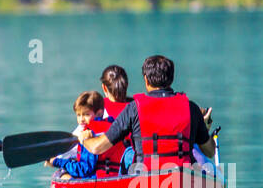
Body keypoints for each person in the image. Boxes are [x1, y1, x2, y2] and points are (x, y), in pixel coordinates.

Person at [81, 54, 214, 173]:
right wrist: (204, 127)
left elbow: (97, 148)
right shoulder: (191, 108)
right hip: (183, 177)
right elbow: (210, 151)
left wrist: (85, 139)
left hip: (145, 181)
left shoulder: (134, 109)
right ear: (171, 79)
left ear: (146, 80)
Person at [46, 91, 108, 179]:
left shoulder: (88, 135)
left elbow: (84, 169)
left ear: (99, 113)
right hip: (112, 174)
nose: (81, 119)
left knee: (61, 175)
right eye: (78, 115)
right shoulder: (111, 125)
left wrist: (57, 162)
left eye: (86, 114)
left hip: (96, 179)